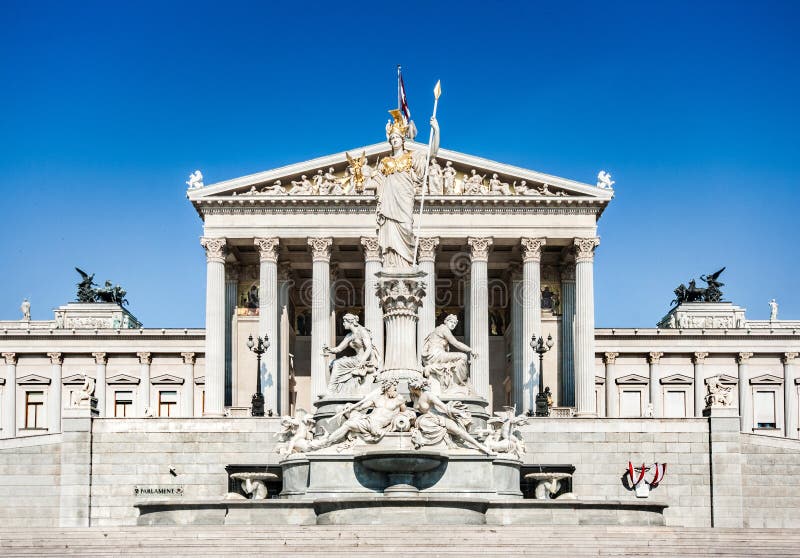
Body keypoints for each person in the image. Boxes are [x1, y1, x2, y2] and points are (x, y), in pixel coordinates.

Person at [373, 109, 439, 269]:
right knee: (389, 236)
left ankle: (407, 265)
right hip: (389, 205)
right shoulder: (385, 162)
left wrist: (436, 130)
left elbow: (432, 153)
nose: (395, 140)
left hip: (404, 202)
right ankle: (392, 265)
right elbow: (374, 180)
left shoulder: (412, 157)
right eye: (392, 138)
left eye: (397, 137)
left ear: (403, 140)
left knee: (407, 229)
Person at [315, 379, 411, 448]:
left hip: (377, 427)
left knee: (349, 424)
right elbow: (362, 407)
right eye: (394, 389)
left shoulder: (399, 400)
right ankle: (327, 442)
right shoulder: (377, 398)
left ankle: (328, 441)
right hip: (367, 421)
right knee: (348, 424)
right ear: (387, 388)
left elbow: (405, 412)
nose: (396, 391)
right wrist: (351, 406)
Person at [408, 378, 494, 455]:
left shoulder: (428, 395)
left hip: (438, 417)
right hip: (426, 419)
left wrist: (459, 412)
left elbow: (444, 407)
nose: (409, 389)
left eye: (410, 387)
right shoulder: (414, 397)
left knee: (458, 431)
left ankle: (481, 446)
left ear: (415, 387)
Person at [322, 313, 380, 394]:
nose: (343, 324)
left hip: (363, 359)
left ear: (350, 322)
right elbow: (339, 349)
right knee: (333, 362)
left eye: (344, 322)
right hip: (356, 359)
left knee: (338, 363)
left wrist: (362, 361)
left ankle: (331, 389)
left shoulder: (362, 331)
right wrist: (329, 349)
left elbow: (369, 348)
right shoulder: (349, 335)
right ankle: (334, 388)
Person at [421, 314, 477, 392]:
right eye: (451, 321)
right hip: (437, 354)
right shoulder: (444, 328)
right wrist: (470, 350)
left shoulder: (438, 329)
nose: (453, 324)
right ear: (445, 321)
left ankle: (456, 382)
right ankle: (460, 383)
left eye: (455, 323)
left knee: (457, 361)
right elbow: (455, 343)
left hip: (434, 355)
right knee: (463, 356)